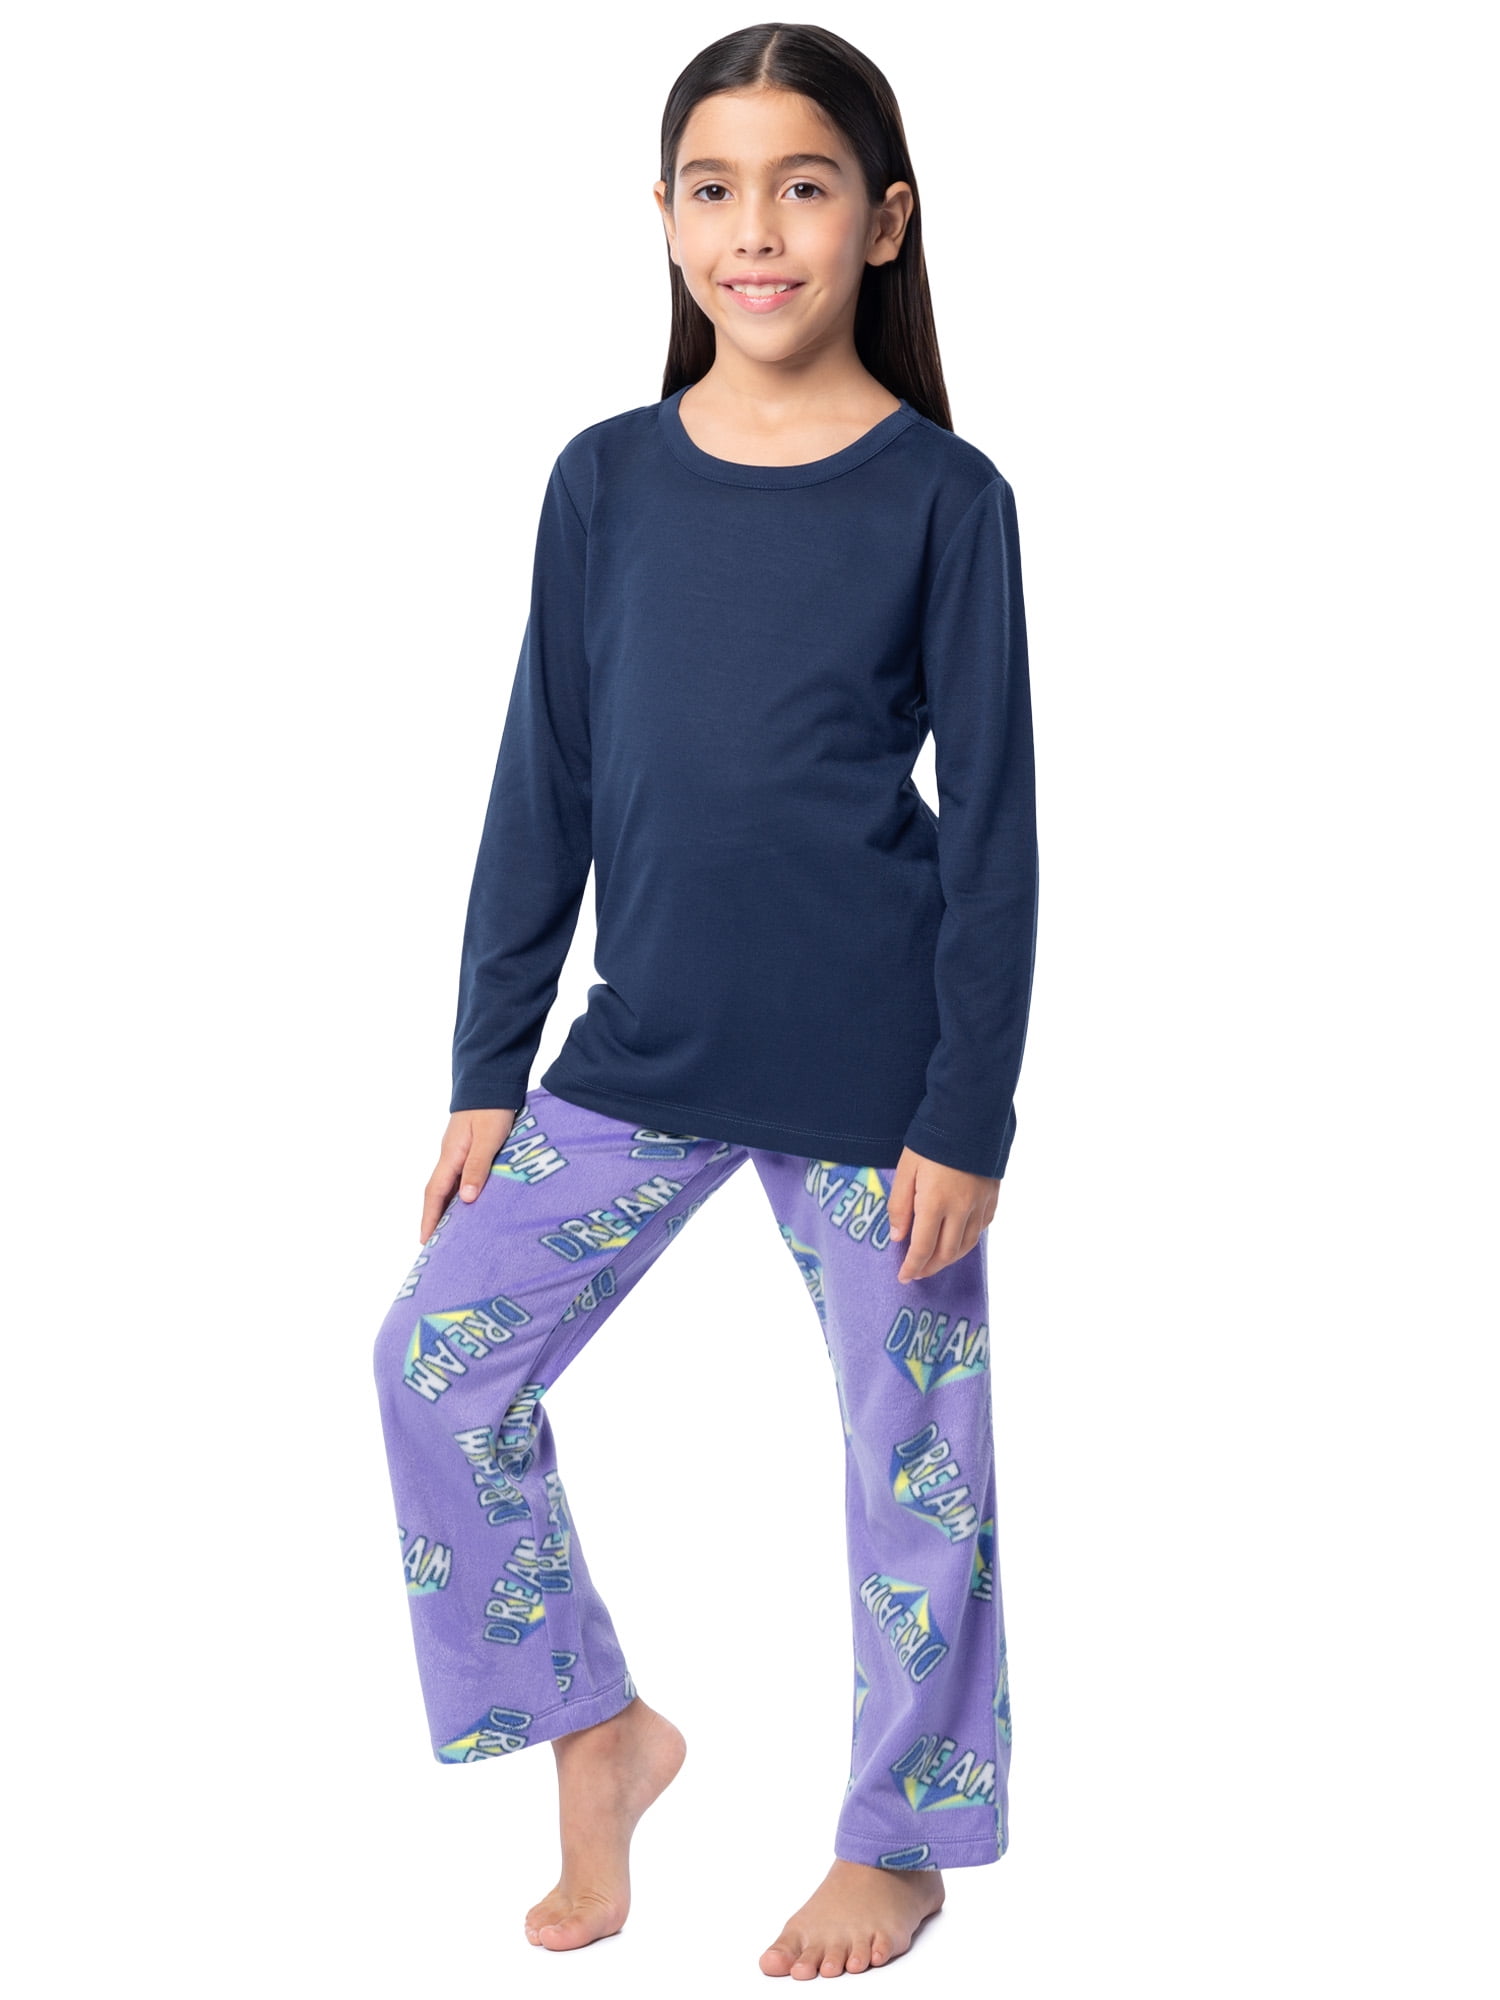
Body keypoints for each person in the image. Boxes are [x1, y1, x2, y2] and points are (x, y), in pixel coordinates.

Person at [371, 20, 1039, 1980]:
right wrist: (488, 1066)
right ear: (665, 219)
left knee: (916, 1473)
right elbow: (544, 781)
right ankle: (595, 1726)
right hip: (639, 1055)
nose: (758, 229)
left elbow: (999, 828)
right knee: (432, 1362)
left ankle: (903, 1840)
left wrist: (967, 1111)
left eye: (804, 187)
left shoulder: (946, 495)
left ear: (883, 222)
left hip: (874, 1081)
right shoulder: (604, 482)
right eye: (717, 188)